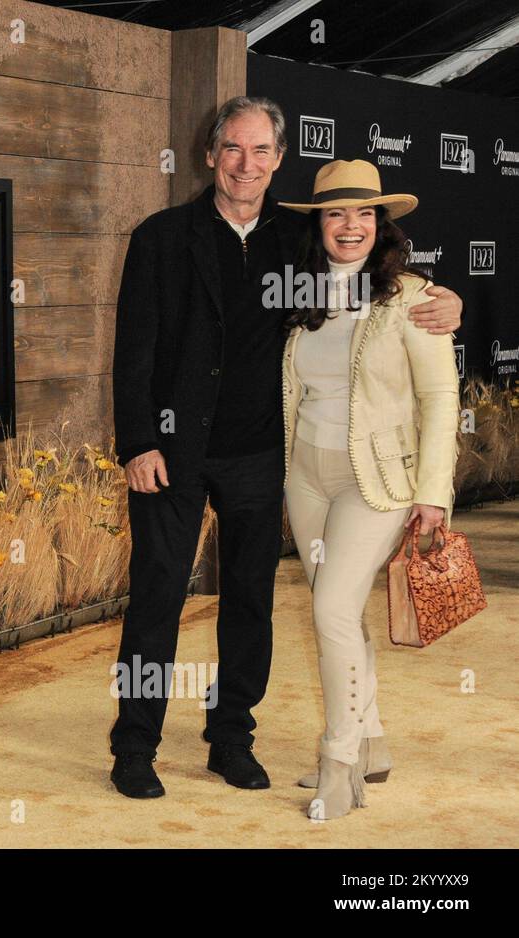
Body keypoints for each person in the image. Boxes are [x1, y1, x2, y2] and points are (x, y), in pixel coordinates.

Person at [108, 96, 462, 799]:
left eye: (262, 150)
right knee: (155, 596)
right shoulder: (159, 237)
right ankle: (134, 746)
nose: (247, 163)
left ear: (278, 159)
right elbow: (133, 350)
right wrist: (139, 441)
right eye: (233, 149)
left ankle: (231, 737)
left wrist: (446, 303)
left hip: (259, 455)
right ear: (210, 155)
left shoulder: (293, 242)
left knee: (249, 600)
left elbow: (376, 278)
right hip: (171, 453)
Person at [278, 159, 460, 820]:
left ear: (380, 224)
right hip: (307, 478)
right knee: (344, 614)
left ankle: (339, 763)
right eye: (336, 213)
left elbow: (441, 400)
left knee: (328, 612)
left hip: (377, 482)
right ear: (318, 224)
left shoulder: (413, 298)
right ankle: (373, 743)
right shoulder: (298, 293)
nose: (349, 226)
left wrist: (433, 493)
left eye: (363, 213)